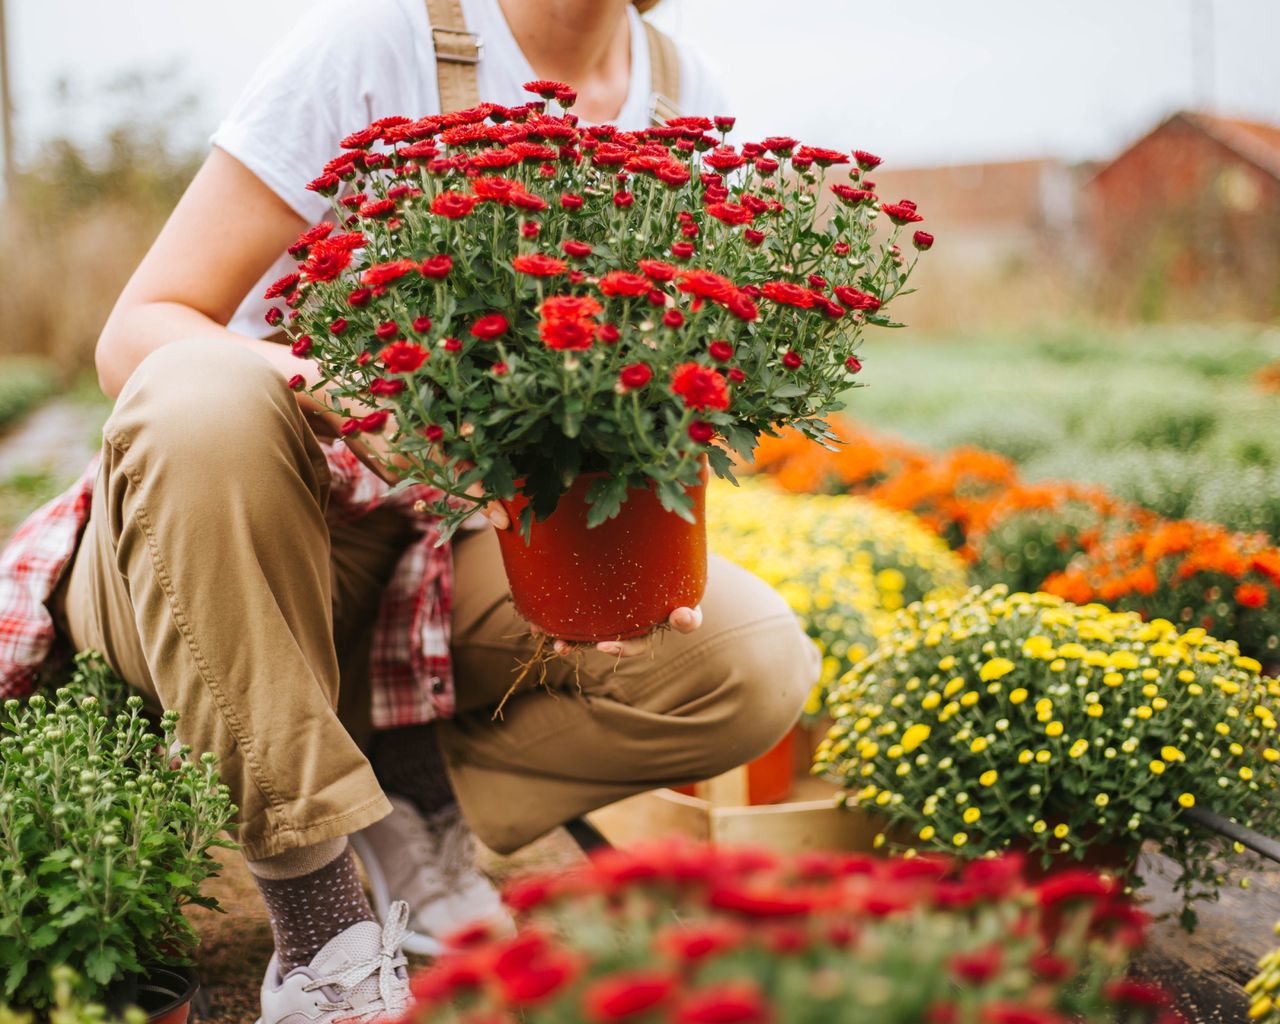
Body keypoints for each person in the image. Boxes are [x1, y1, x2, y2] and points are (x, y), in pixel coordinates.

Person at [0, 0, 819, 1020]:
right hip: (221, 528)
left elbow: (642, 385)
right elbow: (139, 331)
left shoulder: (681, 91)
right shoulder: (379, 42)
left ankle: (397, 804)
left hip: (432, 558)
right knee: (197, 393)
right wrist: (344, 388)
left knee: (747, 662)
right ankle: (322, 935)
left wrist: (624, 564)